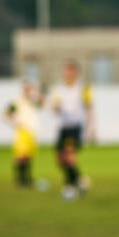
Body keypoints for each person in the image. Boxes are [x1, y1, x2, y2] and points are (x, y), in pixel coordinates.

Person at [47, 61, 94, 200]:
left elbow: (89, 108)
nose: (69, 74)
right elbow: (55, 108)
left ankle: (69, 186)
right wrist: (56, 108)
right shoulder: (58, 88)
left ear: (76, 72)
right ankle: (80, 180)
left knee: (69, 156)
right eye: (67, 71)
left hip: (76, 125)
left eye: (72, 71)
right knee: (59, 159)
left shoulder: (83, 88)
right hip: (63, 126)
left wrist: (91, 128)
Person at [4, 81, 42, 188]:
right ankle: (20, 179)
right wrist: (15, 123)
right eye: (26, 89)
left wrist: (38, 94)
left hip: (32, 132)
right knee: (21, 156)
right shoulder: (17, 102)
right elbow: (7, 114)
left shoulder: (32, 102)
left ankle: (28, 178)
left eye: (30, 90)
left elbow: (41, 104)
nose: (28, 92)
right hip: (22, 132)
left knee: (29, 156)